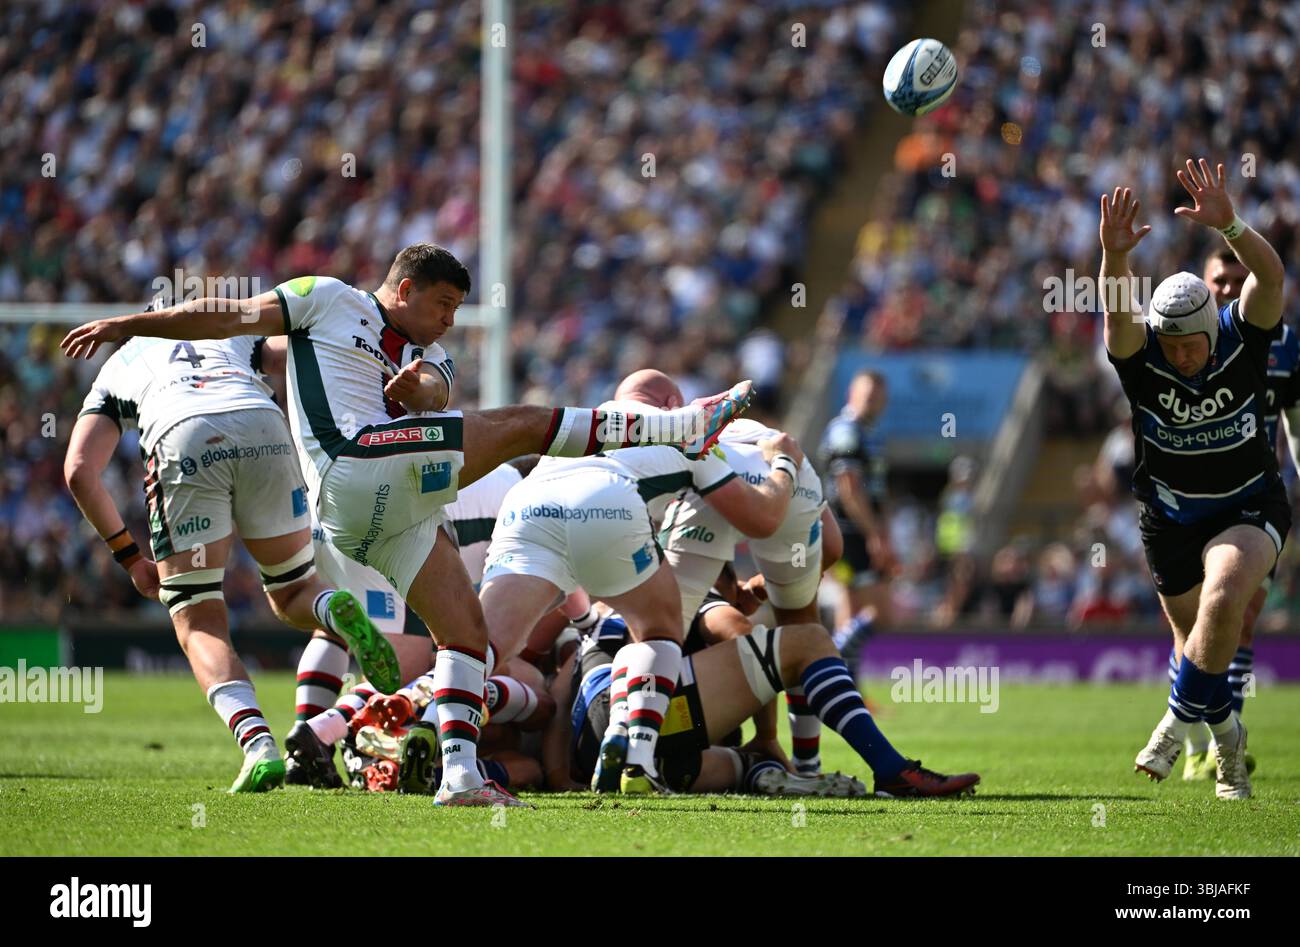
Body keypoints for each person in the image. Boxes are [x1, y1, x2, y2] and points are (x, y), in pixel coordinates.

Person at [61, 243, 753, 806]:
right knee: (518, 423)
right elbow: (232, 315)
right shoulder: (327, 298)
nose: (451, 319)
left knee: (467, 633)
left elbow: (434, 387)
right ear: (405, 288)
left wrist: (417, 386)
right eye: (443, 303)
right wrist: (131, 325)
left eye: (457, 308)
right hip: (350, 465)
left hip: (378, 515)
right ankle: (682, 426)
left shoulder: (433, 352)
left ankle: (458, 775)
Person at [62, 311, 396, 794]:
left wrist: (131, 558)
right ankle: (333, 609)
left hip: (186, 436)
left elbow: (78, 471)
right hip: (263, 425)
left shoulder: (119, 363)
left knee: (197, 617)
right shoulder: (231, 333)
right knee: (294, 588)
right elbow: (305, 355)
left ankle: (258, 745)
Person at [478, 369, 800, 793]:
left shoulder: (585, 419)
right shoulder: (683, 429)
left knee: (481, 647)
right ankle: (640, 756)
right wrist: (785, 465)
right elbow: (762, 520)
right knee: (660, 631)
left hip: (526, 507)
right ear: (671, 407)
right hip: (609, 513)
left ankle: (452, 759)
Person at [1099, 160, 1288, 800]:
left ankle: (1173, 727)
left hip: (1249, 505)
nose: (1181, 355)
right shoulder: (1141, 357)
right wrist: (1114, 257)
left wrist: (1231, 223)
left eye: (1191, 343)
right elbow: (1117, 314)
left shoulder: (1244, 336)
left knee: (1225, 594)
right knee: (1195, 647)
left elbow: (1271, 275)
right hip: (1169, 516)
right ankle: (1229, 745)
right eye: (1170, 343)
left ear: (1212, 324)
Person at [1169, 247, 1300, 779]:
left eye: (1236, 279)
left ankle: (1225, 743)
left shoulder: (1285, 346)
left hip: (1252, 502)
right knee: (1190, 628)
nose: (1226, 288)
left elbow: (1293, 416)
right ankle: (1199, 742)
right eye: (1218, 280)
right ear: (1202, 283)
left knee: (1241, 618)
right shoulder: (1172, 341)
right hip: (1182, 504)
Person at [818, 370, 895, 678]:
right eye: (868, 394)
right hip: (849, 532)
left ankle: (846, 687)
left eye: (878, 395)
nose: (873, 400)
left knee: (852, 614)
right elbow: (849, 488)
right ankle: (828, 672)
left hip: (859, 532)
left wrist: (884, 531)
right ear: (852, 393)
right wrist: (874, 534)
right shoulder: (845, 432)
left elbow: (877, 489)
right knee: (876, 613)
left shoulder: (869, 434)